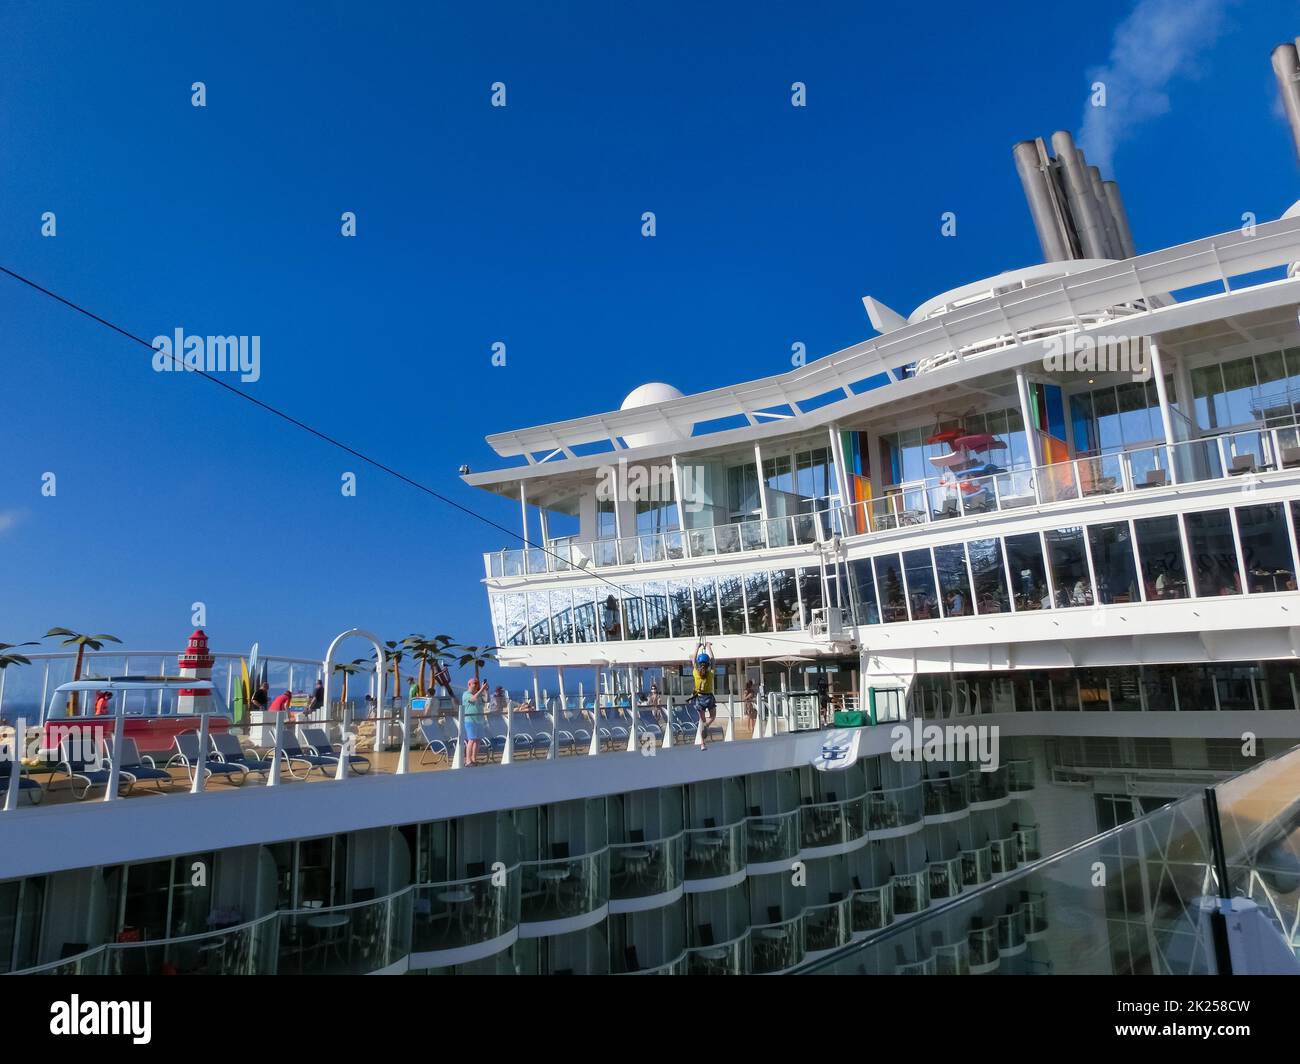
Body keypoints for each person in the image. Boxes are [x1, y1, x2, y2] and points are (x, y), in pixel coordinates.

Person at [691, 643, 717, 749]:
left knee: (702, 721)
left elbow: (693, 660)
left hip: (699, 699)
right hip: (709, 697)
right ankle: (707, 725)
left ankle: (702, 744)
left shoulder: (696, 673)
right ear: (708, 664)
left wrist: (697, 647)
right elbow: (713, 660)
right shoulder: (710, 674)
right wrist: (709, 647)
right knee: (712, 716)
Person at [461, 678, 487, 765]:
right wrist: (481, 689)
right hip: (470, 720)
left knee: (478, 740)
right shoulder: (466, 694)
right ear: (469, 684)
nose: (476, 685)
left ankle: (474, 759)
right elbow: (473, 699)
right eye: (474, 683)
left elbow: (487, 700)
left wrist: (486, 690)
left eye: (477, 683)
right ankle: (468, 760)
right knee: (471, 740)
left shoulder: (478, 694)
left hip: (479, 720)